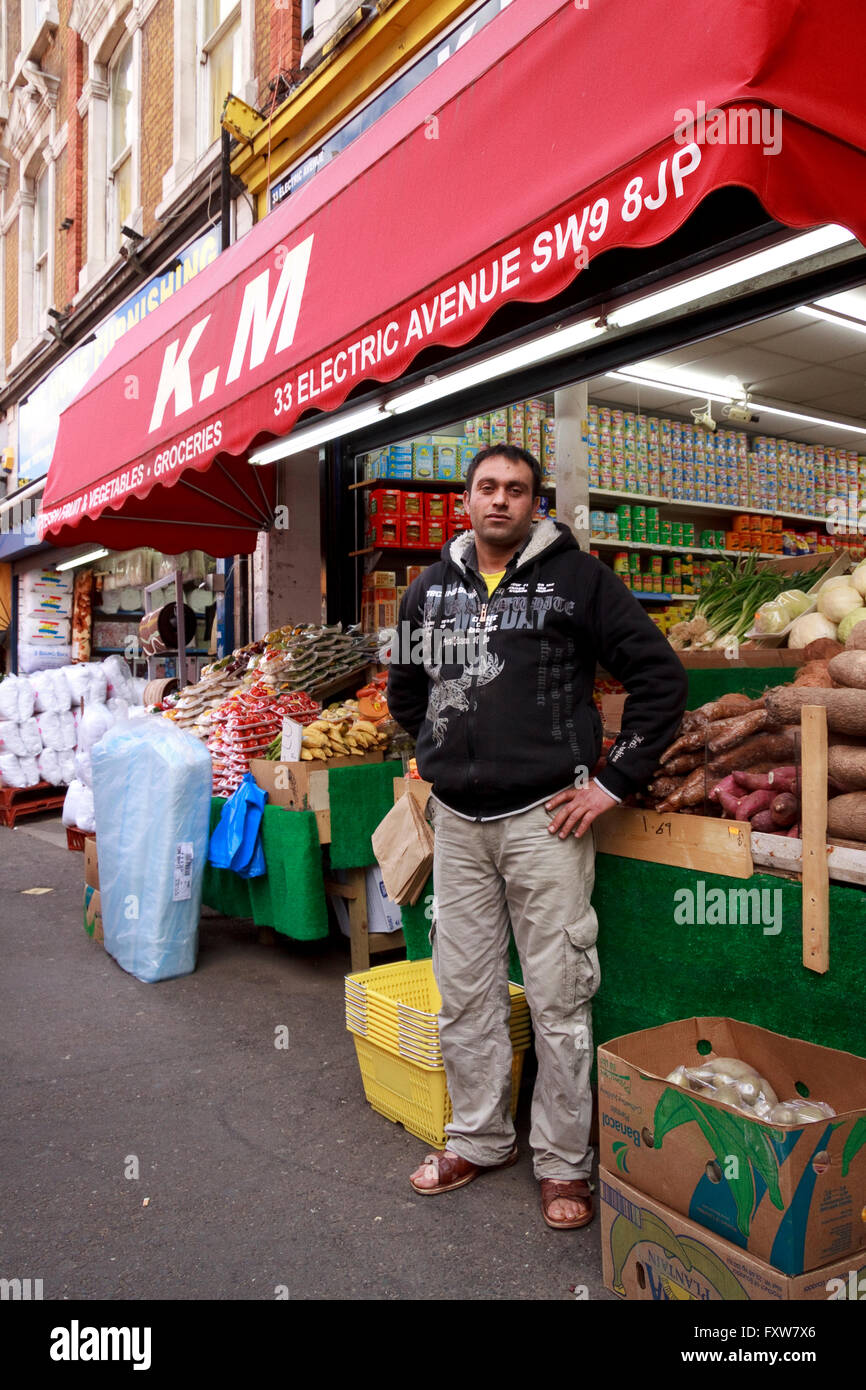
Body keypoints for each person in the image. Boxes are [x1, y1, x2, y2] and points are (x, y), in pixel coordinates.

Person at [386, 444, 688, 1229]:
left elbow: (660, 680)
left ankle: (563, 1164)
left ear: (535, 504)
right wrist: (444, 757)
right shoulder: (427, 591)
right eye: (487, 487)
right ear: (465, 500)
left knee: (559, 997)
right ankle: (480, 1138)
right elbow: (406, 692)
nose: (500, 501)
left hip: (546, 819)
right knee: (465, 993)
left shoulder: (580, 580)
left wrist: (613, 782)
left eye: (516, 490)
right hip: (456, 824)